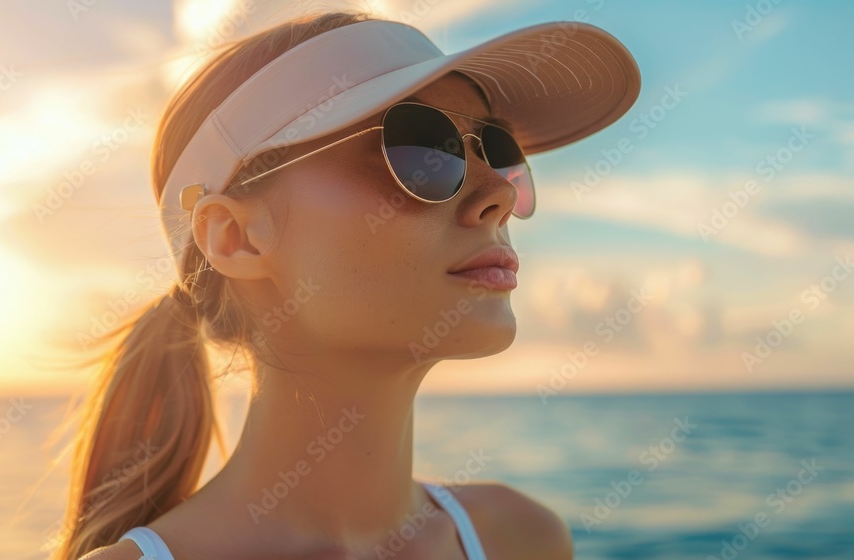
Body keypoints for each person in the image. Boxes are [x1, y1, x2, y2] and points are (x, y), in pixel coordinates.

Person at [51, 9, 641, 560]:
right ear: (235, 237)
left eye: (498, 149)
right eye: (419, 146)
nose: (501, 194)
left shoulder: (522, 538)